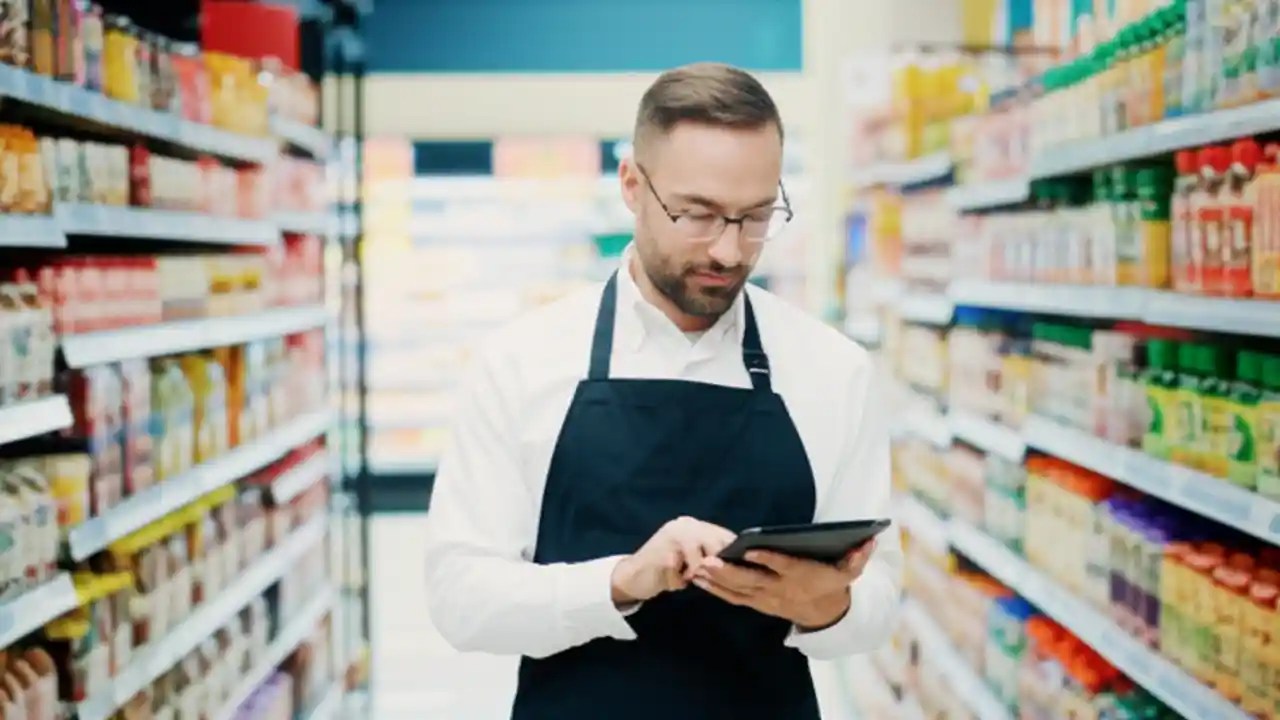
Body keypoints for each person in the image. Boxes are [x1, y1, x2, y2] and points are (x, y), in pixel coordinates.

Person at [423, 62, 903, 720]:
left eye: (756, 217)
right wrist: (621, 581)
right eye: (699, 215)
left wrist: (826, 607)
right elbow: (461, 598)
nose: (730, 252)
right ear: (632, 186)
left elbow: (881, 596)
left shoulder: (832, 369)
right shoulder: (523, 363)